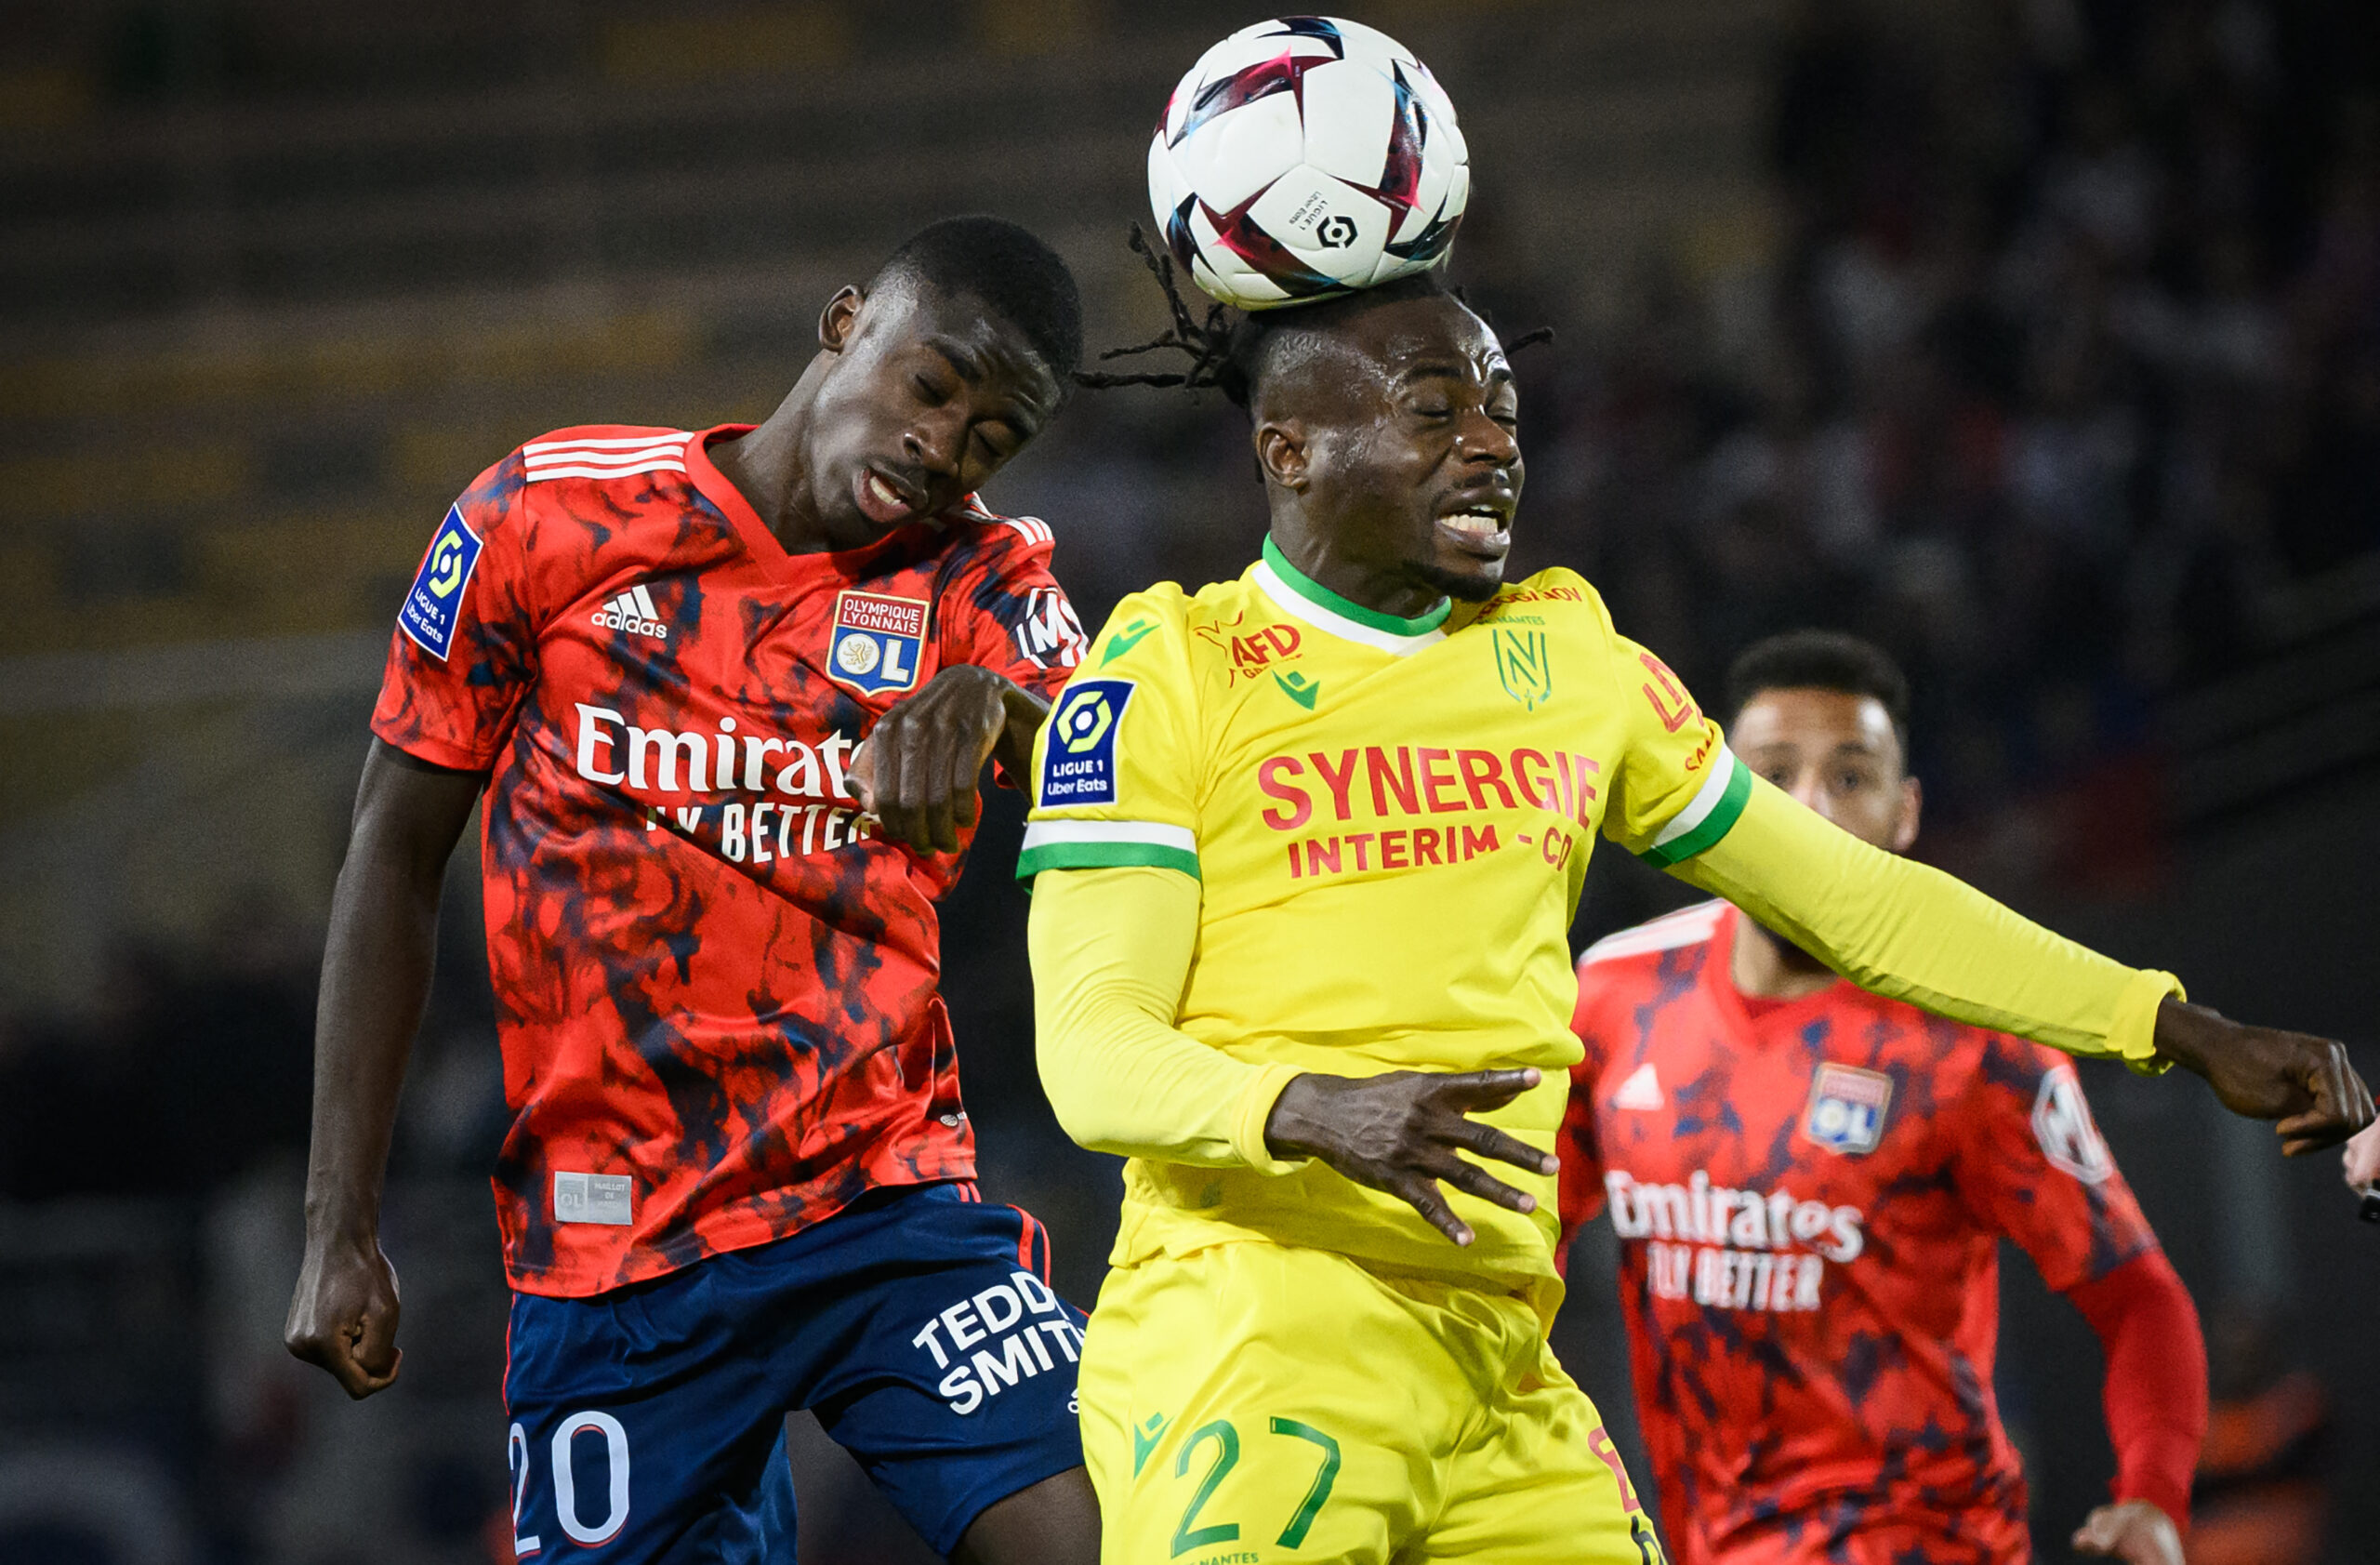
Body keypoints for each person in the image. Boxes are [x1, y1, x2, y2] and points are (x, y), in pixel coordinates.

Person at [1019, 248, 2371, 1564]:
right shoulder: (1170, 666)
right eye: (1436, 411)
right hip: (1255, 1321)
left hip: (1496, 1353)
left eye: (1502, 405)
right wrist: (1313, 1104)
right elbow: (1092, 1049)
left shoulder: (1570, 656)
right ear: (1291, 449)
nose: (1492, 443)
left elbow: (1860, 901)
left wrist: (2170, 1023)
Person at [283, 217, 1102, 1564]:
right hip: (614, 1245)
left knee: (1092, 1533)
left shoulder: (980, 582)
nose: (943, 447)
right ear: (847, 321)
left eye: (990, 437)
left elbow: (1128, 762)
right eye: (932, 385)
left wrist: (999, 709)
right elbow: (391, 845)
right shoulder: (545, 514)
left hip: (884, 1203)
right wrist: (340, 1223)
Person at [1557, 630, 2205, 1565]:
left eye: (1849, 778)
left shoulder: (1970, 1037)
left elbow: (2136, 1296)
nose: (1808, 810)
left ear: (1906, 815)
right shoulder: (1616, 995)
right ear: (1714, 801)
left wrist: (2153, 1497)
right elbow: (1515, 1254)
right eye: (1770, 776)